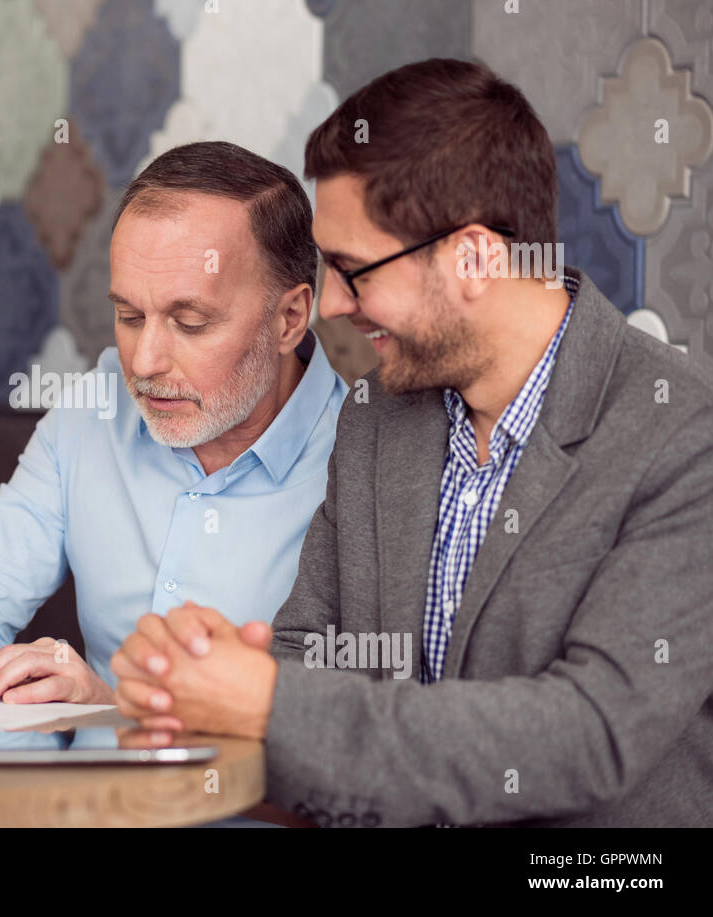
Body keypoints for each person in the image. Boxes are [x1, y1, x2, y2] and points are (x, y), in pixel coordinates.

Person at [112, 58, 713, 826]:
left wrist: (265, 699)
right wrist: (202, 673)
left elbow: (591, 733)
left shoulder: (682, 436)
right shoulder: (373, 416)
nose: (329, 304)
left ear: (473, 257)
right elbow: (306, 652)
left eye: (354, 270)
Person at [0, 142, 348, 704]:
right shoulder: (94, 410)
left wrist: (112, 711)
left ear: (289, 319)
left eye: (190, 322)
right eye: (129, 316)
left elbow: (339, 724)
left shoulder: (366, 460)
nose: (144, 361)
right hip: (83, 790)